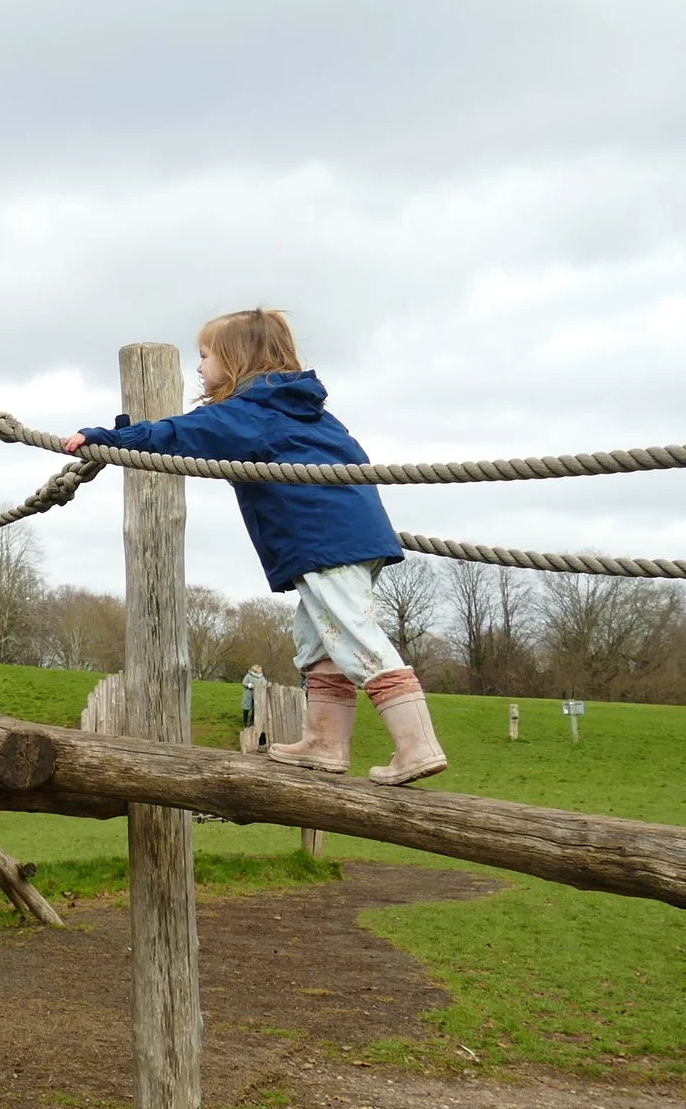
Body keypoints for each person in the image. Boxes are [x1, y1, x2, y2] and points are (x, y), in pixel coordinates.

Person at [62, 309, 446, 784]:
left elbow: (182, 435)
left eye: (205, 356)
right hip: (347, 536)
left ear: (236, 358)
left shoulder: (254, 413)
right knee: (321, 640)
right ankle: (326, 743)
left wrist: (113, 439)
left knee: (354, 636)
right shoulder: (301, 410)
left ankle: (416, 745)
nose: (198, 368)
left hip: (324, 540)